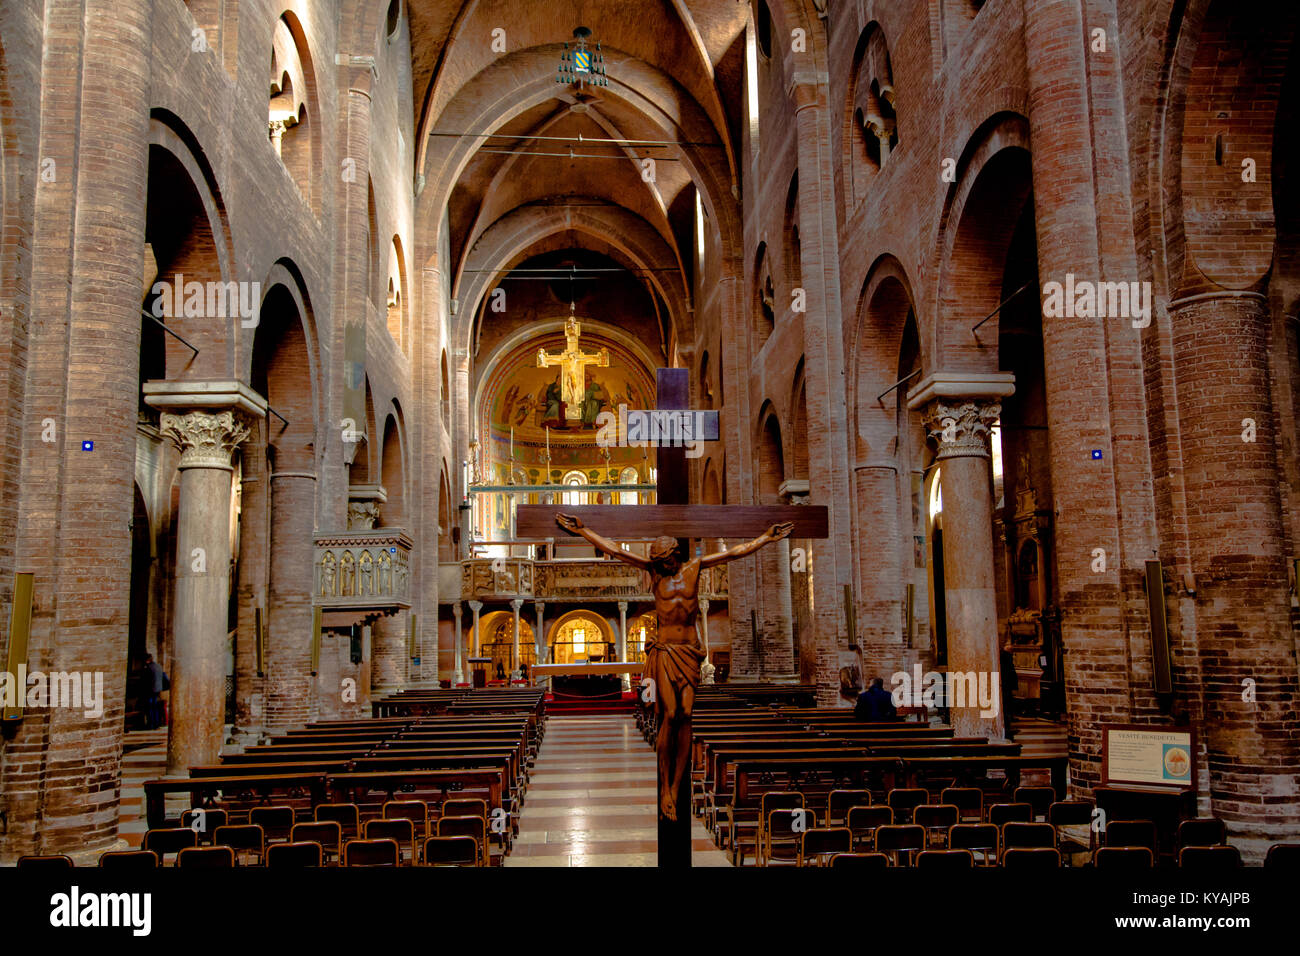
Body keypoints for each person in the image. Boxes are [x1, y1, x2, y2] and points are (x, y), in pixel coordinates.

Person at [555, 512, 793, 821]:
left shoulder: (694, 568)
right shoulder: (655, 574)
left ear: (674, 556)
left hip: (689, 651)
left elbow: (734, 553)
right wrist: (584, 530)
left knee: (687, 715)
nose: (662, 566)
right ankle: (664, 786)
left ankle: (679, 783)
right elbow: (616, 550)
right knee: (669, 713)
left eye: (665, 560)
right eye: (658, 562)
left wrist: (766, 538)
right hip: (666, 651)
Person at [142, 653, 168, 729]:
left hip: (150, 690)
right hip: (158, 689)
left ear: (147, 660)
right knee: (155, 707)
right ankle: (156, 724)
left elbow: (145, 680)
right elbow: (164, 677)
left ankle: (151, 724)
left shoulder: (148, 668)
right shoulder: (159, 666)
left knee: (150, 707)